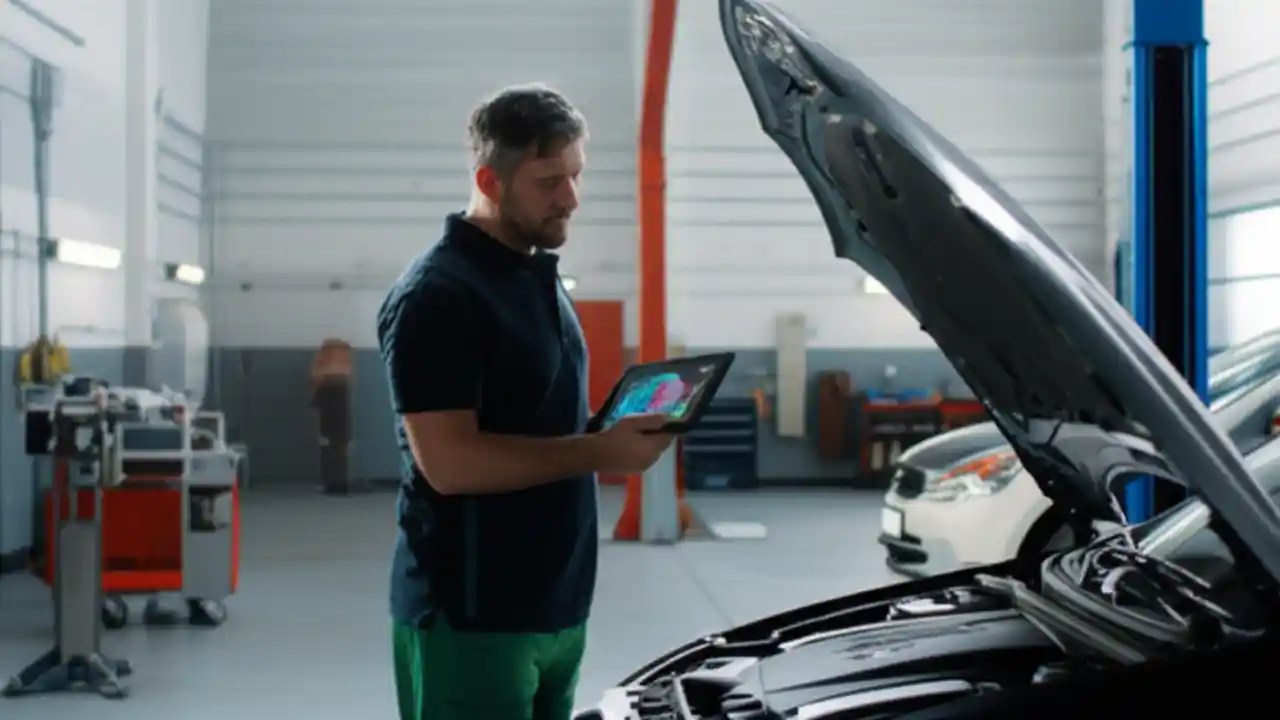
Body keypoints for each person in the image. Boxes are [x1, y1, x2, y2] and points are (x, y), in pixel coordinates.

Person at [376, 83, 675, 720]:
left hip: (555, 604)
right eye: (549, 181)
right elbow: (450, 464)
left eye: (576, 175)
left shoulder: (535, 275)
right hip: (474, 615)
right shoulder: (439, 295)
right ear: (490, 180)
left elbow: (535, 420)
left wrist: (614, 430)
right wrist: (599, 451)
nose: (571, 197)